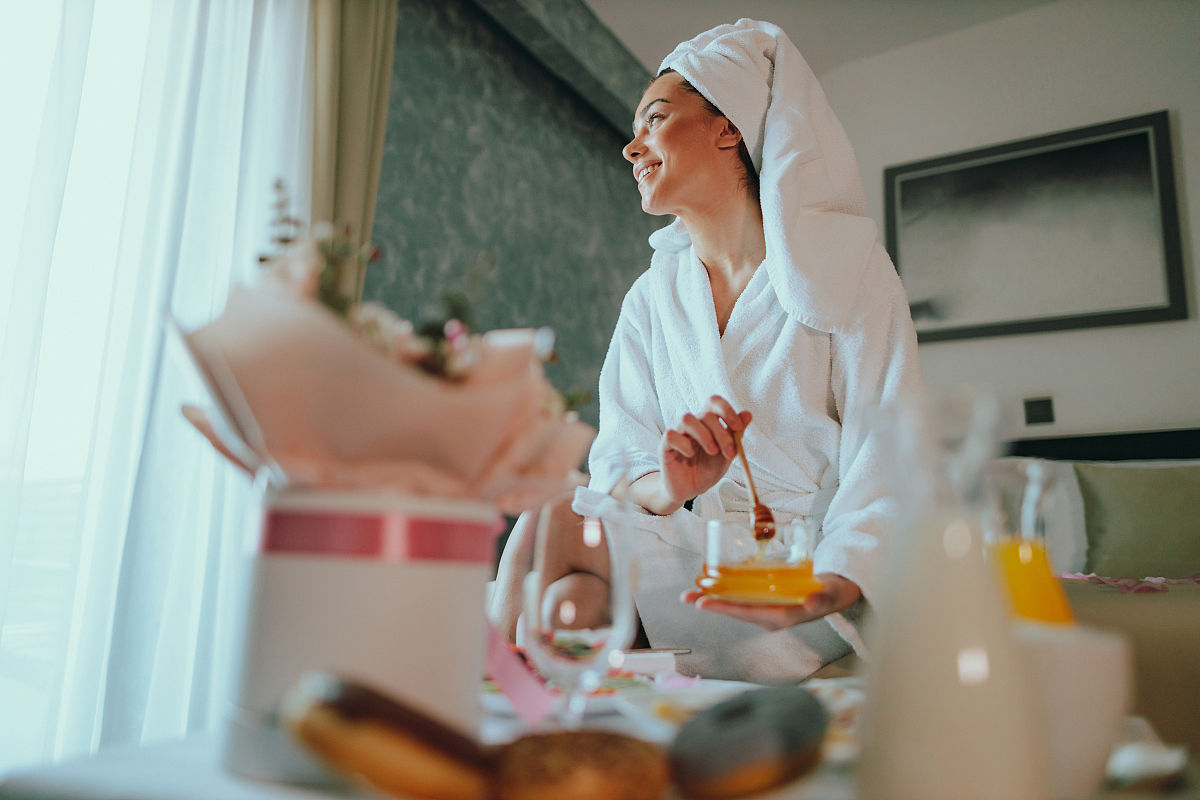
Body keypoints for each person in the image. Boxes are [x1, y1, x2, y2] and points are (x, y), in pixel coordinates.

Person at [490, 19, 923, 682]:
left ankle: (515, 705)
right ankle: (554, 716)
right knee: (564, 552)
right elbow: (619, 475)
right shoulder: (652, 298)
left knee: (561, 554)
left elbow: (889, 460)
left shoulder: (848, 272)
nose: (631, 148)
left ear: (730, 128)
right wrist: (675, 482)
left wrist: (837, 583)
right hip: (696, 557)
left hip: (805, 577)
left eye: (655, 119)